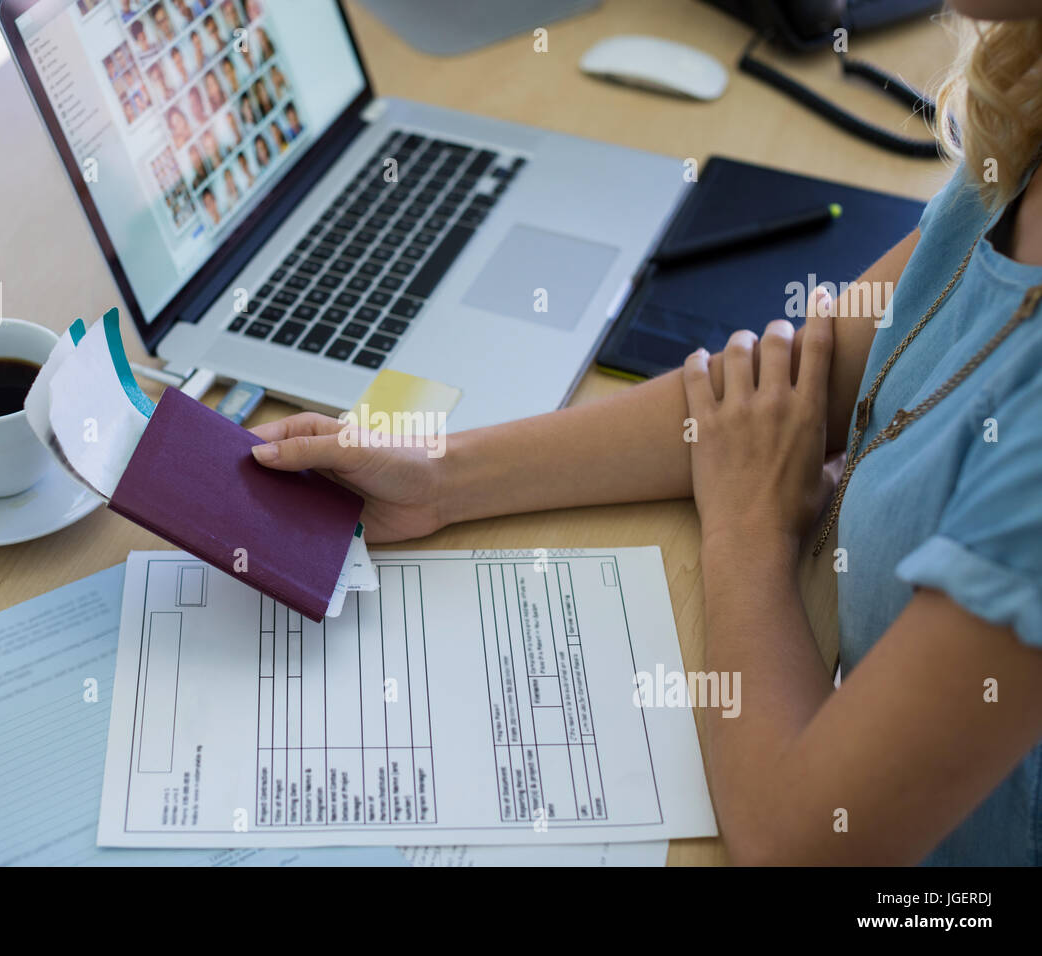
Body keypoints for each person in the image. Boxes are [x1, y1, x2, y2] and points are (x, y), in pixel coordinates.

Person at [247, 0, 1042, 867]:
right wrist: (443, 475)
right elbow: (788, 392)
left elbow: (797, 842)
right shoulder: (1022, 131)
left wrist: (748, 530)